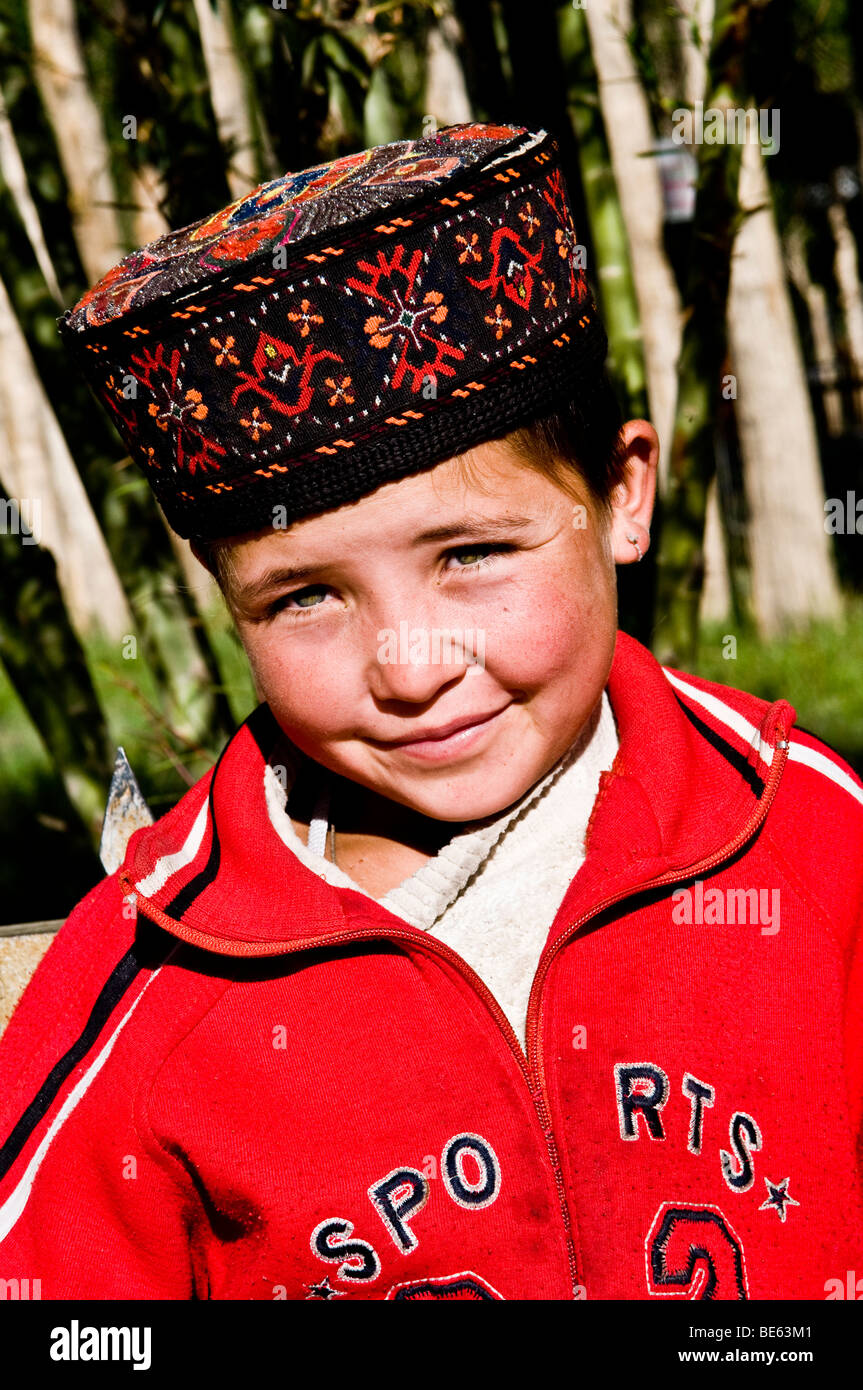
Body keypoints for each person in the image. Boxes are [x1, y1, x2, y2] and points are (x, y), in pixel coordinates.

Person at [0, 123, 861, 1301]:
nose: (407, 668)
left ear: (620, 494)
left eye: (467, 554)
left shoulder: (808, 841)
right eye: (304, 597)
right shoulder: (152, 983)